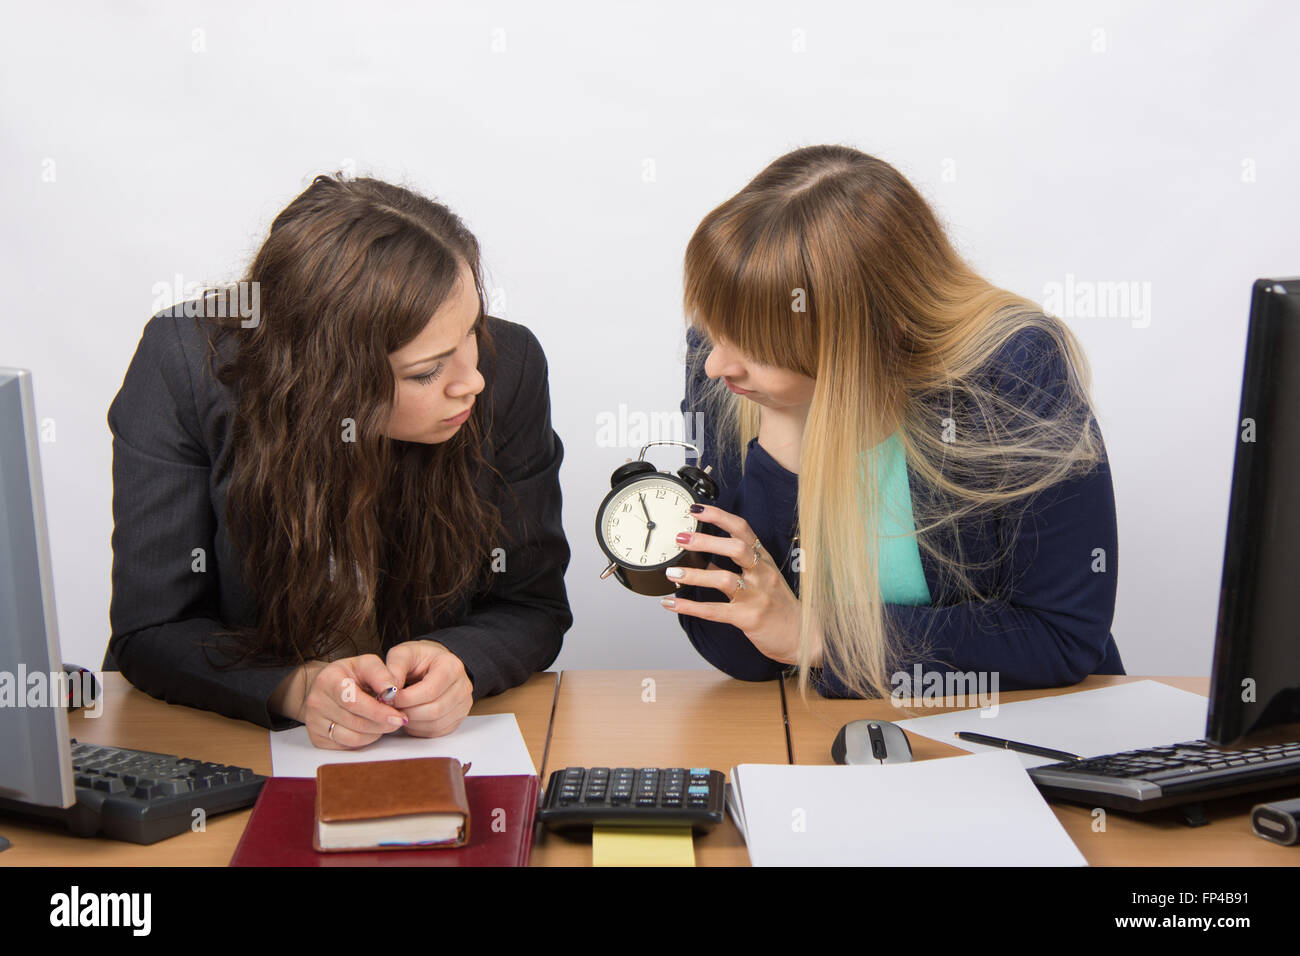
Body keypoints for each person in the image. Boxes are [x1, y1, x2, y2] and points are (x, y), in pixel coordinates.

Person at [104, 174, 572, 747]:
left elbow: (532, 604)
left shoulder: (512, 365)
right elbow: (152, 630)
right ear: (328, 379)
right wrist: (293, 689)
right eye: (426, 372)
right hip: (242, 748)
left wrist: (459, 663)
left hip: (440, 750)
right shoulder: (182, 365)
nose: (471, 380)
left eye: (472, 328)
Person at [661, 144, 1124, 700]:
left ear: (872, 335)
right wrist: (781, 440)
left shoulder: (1017, 367)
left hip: (1019, 718)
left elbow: (1062, 637)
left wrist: (821, 636)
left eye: (756, 345)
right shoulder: (729, 371)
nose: (715, 364)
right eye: (714, 329)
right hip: (811, 731)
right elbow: (741, 651)